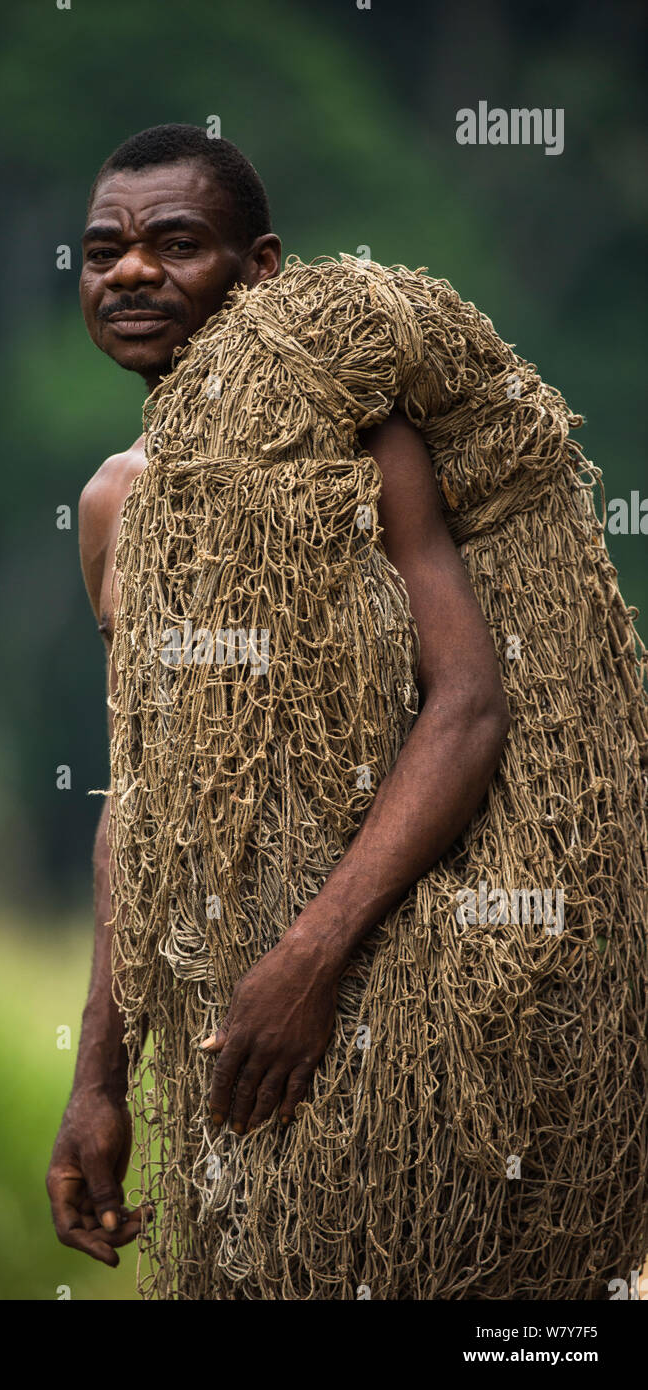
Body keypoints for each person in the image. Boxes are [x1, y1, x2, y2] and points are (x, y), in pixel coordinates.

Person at [46, 124, 512, 1276]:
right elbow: (140, 792)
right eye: (104, 250)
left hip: (398, 1000)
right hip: (220, 1041)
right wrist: (98, 1080)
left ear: (260, 268)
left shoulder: (362, 447)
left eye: (176, 243)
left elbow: (466, 708)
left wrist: (309, 961)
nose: (131, 272)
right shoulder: (114, 503)